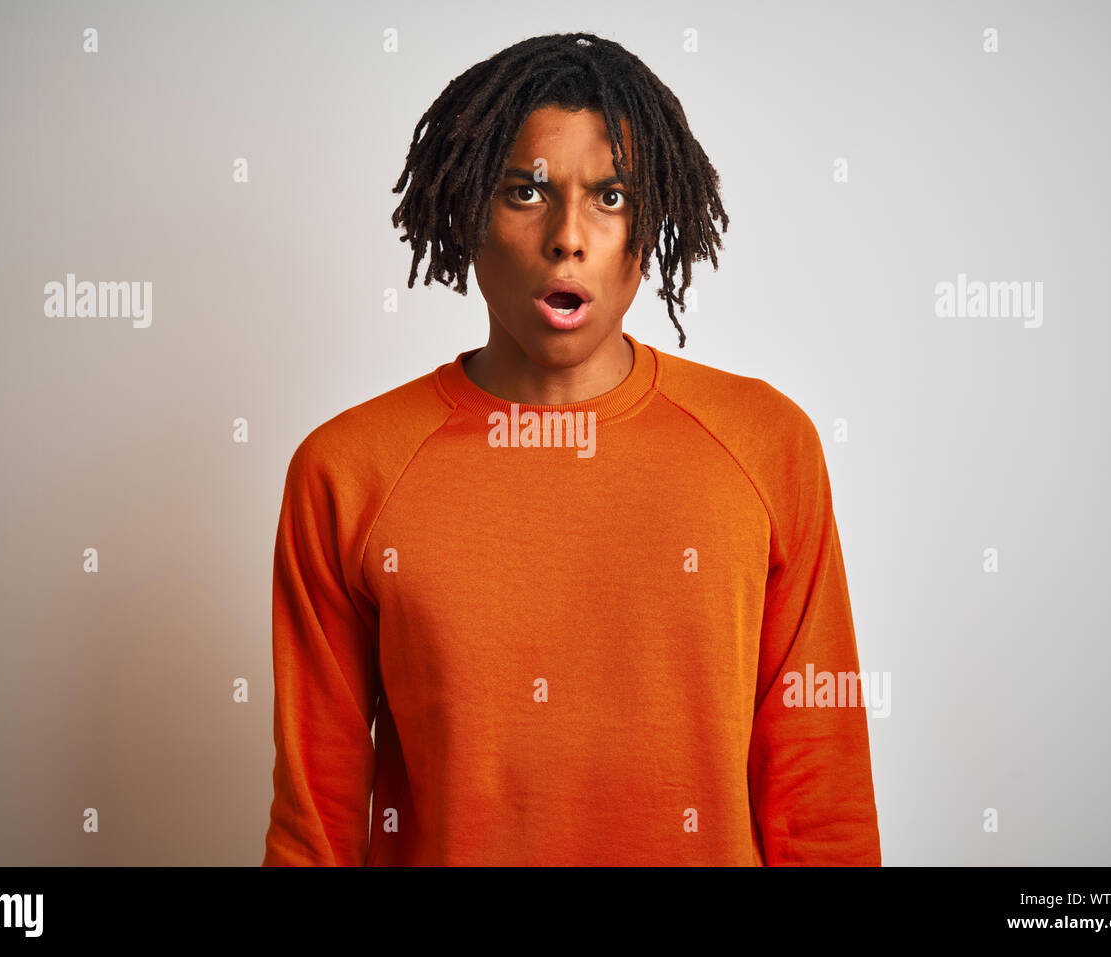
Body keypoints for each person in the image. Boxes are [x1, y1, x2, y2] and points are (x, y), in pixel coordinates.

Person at [262, 31, 881, 866]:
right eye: (525, 192)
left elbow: (821, 800)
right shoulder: (346, 472)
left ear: (654, 223)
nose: (569, 237)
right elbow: (316, 824)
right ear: (463, 211)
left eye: (612, 197)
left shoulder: (767, 444)